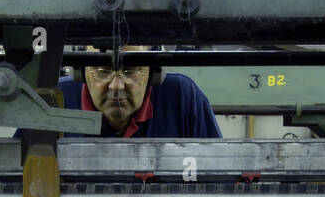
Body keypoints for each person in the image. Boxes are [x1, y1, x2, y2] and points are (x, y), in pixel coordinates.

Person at [56, 46, 222, 139]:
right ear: (80, 71)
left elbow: (221, 178)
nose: (116, 86)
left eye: (130, 70)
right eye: (102, 70)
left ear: (154, 72)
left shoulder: (183, 98)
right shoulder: (56, 102)